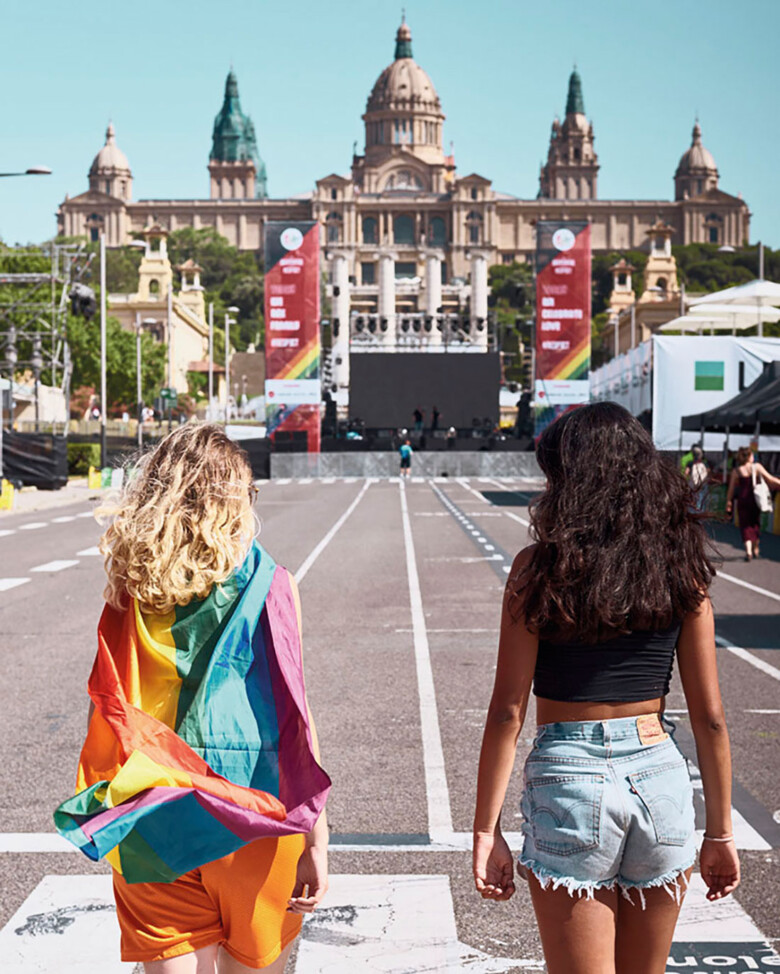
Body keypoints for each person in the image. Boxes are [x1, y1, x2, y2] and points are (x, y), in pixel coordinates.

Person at [473, 402, 740, 974]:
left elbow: (507, 713)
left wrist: (485, 829)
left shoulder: (536, 568)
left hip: (571, 775)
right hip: (659, 774)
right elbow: (710, 717)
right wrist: (719, 832)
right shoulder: (682, 567)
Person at [54, 425, 330, 973]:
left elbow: (106, 703)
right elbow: (295, 715)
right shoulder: (273, 584)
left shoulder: (128, 593)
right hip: (253, 810)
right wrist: (316, 838)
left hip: (156, 810)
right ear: (233, 505)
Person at [726, 445, 780, 561]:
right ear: (750, 456)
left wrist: (729, 502)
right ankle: (755, 547)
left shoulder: (737, 471)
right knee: (755, 523)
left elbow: (730, 489)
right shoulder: (757, 467)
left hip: (742, 499)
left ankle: (748, 551)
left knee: (744, 525)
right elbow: (770, 479)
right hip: (755, 499)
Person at [684, 445, 710, 512]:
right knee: (701, 500)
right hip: (702, 484)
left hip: (693, 485)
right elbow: (708, 471)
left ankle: (692, 513)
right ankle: (700, 513)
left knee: (692, 500)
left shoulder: (690, 463)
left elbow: (686, 473)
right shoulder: (705, 463)